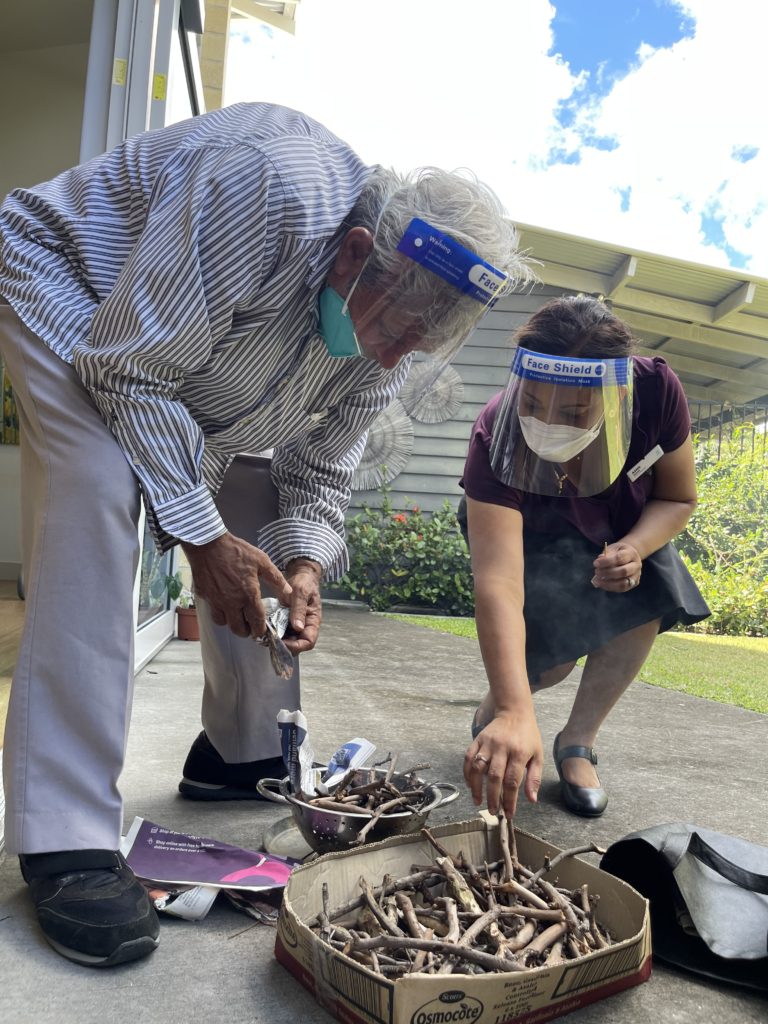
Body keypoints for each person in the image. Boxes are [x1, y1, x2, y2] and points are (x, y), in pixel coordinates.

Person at [0, 101, 532, 966]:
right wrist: (203, 541)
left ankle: (239, 753)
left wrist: (303, 559)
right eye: (395, 331)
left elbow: (315, 467)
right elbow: (127, 366)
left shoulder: (387, 335)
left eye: (418, 345)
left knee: (247, 494)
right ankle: (63, 834)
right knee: (98, 478)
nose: (395, 359)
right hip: (69, 282)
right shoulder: (266, 187)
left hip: (180, 376)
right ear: (357, 256)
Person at [459, 294, 709, 822]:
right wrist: (512, 706)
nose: (549, 423)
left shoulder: (657, 393)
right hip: (525, 534)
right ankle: (503, 705)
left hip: (622, 523)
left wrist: (635, 548)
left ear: (617, 395)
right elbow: (500, 581)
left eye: (574, 412)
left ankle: (578, 742)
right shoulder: (492, 431)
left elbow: (679, 497)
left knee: (644, 593)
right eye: (532, 406)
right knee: (548, 664)